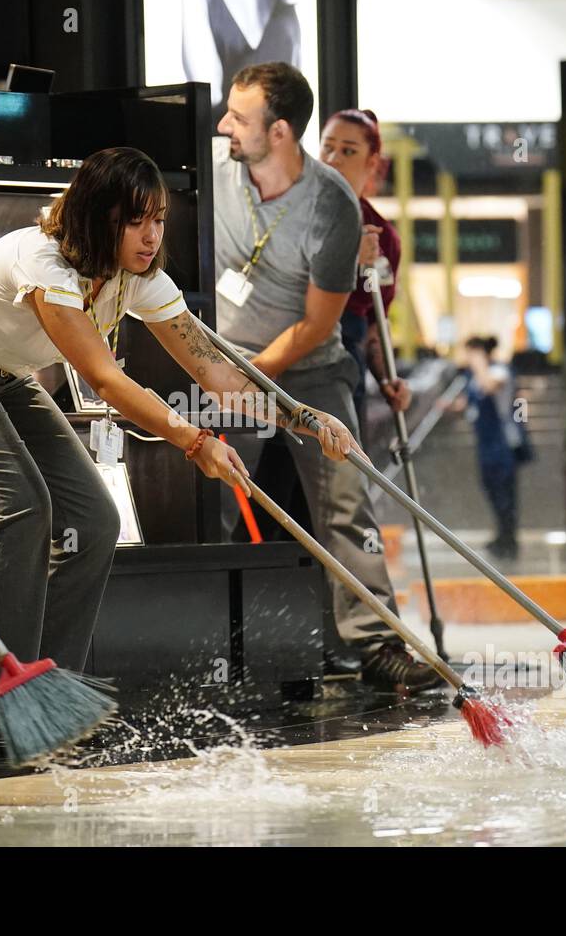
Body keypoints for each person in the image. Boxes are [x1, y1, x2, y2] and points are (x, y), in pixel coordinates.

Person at [0, 146, 358, 740]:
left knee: (93, 520)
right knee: (22, 509)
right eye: (134, 220)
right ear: (97, 217)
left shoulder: (138, 278)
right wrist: (195, 442)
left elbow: (216, 372)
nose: (151, 236)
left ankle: (47, 694)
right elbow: (105, 379)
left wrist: (305, 418)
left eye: (159, 219)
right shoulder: (44, 263)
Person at [214, 62, 443, 691]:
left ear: (280, 131)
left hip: (307, 373)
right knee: (208, 499)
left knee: (347, 504)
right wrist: (218, 373)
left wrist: (252, 378)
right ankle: (207, 640)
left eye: (239, 116)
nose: (223, 125)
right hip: (222, 362)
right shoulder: (213, 174)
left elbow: (320, 323)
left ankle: (376, 644)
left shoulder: (332, 205)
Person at [318, 108, 411, 430]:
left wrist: (387, 379)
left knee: (341, 472)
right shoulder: (293, 212)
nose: (333, 158)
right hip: (288, 356)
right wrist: (346, 254)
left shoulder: (382, 236)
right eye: (327, 146)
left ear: (371, 162)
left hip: (344, 364)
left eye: (348, 151)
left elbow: (375, 325)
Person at [453, 336, 521, 560]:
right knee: (490, 488)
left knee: (504, 493)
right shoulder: (472, 377)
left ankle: (508, 538)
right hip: (485, 442)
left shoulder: (498, 371)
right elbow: (470, 403)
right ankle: (501, 533)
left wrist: (480, 364)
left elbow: (490, 387)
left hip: (502, 442)